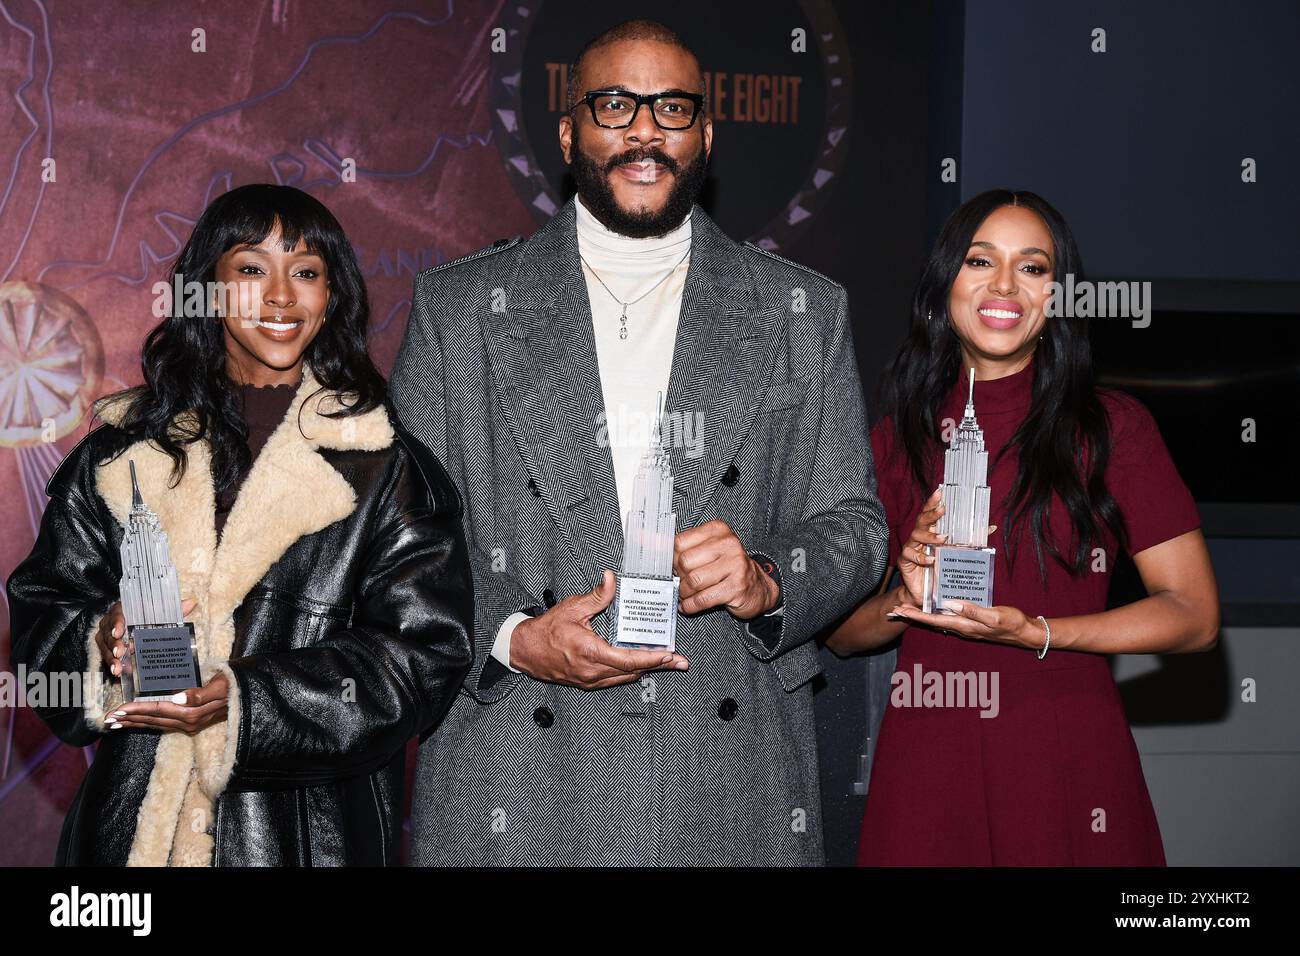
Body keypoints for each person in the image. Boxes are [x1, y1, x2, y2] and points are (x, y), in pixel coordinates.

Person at [392, 19, 887, 865]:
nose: (645, 130)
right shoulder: (462, 310)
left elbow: (856, 525)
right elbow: (406, 542)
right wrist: (513, 635)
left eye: (672, 108)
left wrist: (769, 577)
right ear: (568, 131)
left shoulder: (801, 311)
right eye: (615, 105)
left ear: (707, 134)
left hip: (727, 775)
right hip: (517, 767)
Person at [7, 183, 474, 866]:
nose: (281, 297)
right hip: (129, 842)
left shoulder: (386, 465)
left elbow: (421, 656)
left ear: (333, 295)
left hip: (305, 843)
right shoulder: (120, 452)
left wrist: (249, 704)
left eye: (307, 272)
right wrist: (102, 637)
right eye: (252, 269)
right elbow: (43, 616)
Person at [828, 189, 1220, 866]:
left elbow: (1194, 615)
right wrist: (903, 595)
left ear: (1057, 296)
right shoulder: (897, 438)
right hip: (929, 757)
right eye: (981, 260)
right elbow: (839, 636)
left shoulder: (1111, 429)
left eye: (1033, 267)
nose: (1005, 284)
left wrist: (1038, 632)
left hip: (1064, 750)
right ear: (946, 283)